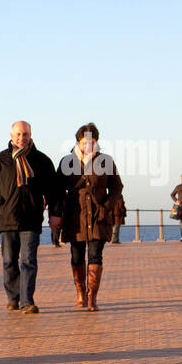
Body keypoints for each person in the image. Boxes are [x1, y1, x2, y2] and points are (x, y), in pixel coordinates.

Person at [0, 120, 58, 314]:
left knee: (29, 261)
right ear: (12, 136)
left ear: (31, 135)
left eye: (26, 134)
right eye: (19, 134)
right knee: (9, 261)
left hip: (31, 219)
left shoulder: (41, 160)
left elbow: (53, 190)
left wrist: (55, 213)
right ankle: (13, 298)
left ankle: (27, 301)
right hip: (8, 220)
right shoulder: (0, 160)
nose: (23, 138)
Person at [58, 122, 123, 311]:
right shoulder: (66, 162)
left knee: (96, 255)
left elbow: (117, 187)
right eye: (84, 142)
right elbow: (57, 190)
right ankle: (80, 292)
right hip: (75, 217)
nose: (88, 145)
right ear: (78, 142)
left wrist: (106, 207)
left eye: (91, 141)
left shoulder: (106, 161)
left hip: (98, 217)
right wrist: (59, 211)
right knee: (77, 256)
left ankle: (91, 297)